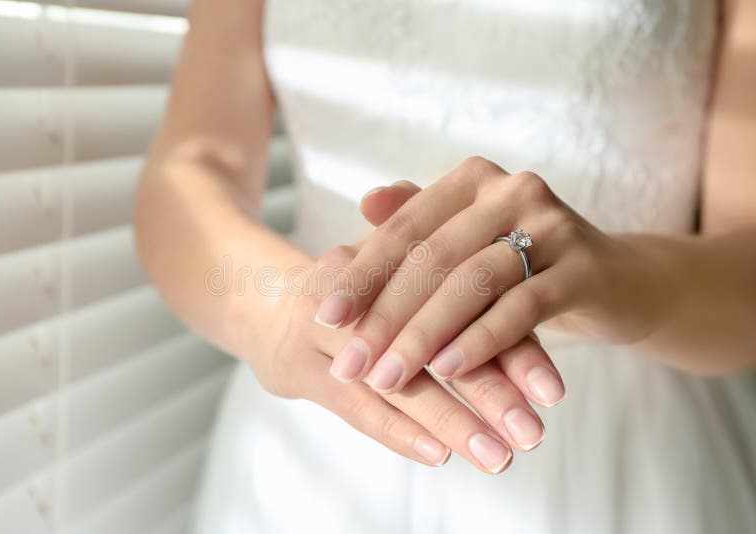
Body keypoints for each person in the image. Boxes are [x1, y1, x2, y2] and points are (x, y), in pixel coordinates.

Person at [134, 0, 756, 532]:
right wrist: (278, 309)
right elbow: (188, 170)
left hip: (631, 446)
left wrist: (617, 277)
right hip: (323, 416)